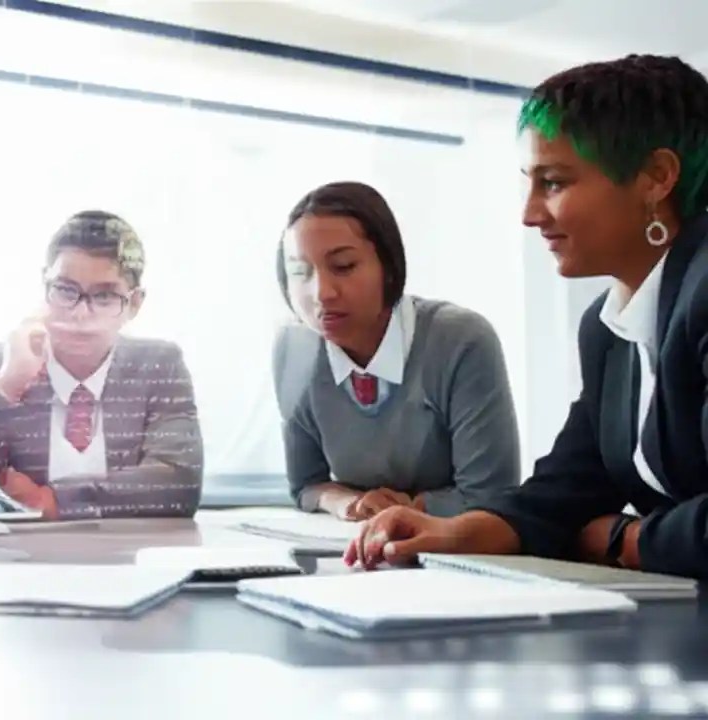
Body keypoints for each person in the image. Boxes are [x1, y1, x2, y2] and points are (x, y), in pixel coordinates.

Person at [348, 54, 708, 579]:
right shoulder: (607, 329)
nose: (530, 213)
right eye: (530, 184)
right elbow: (567, 487)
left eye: (555, 183)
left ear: (656, 177)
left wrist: (622, 541)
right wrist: (456, 532)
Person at [0, 211, 204, 519]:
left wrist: (56, 502)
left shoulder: (158, 366)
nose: (80, 314)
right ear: (44, 284)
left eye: (105, 296)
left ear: (135, 303)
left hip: (126, 562)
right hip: (8, 562)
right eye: (65, 290)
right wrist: (6, 388)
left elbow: (179, 486)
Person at [275, 181, 519, 520]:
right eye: (301, 272)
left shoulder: (460, 340)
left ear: (389, 267)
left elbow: (491, 496)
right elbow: (305, 486)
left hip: (459, 549)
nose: (322, 293)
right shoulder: (294, 350)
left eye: (344, 266)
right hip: (362, 550)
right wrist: (350, 504)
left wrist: (401, 513)